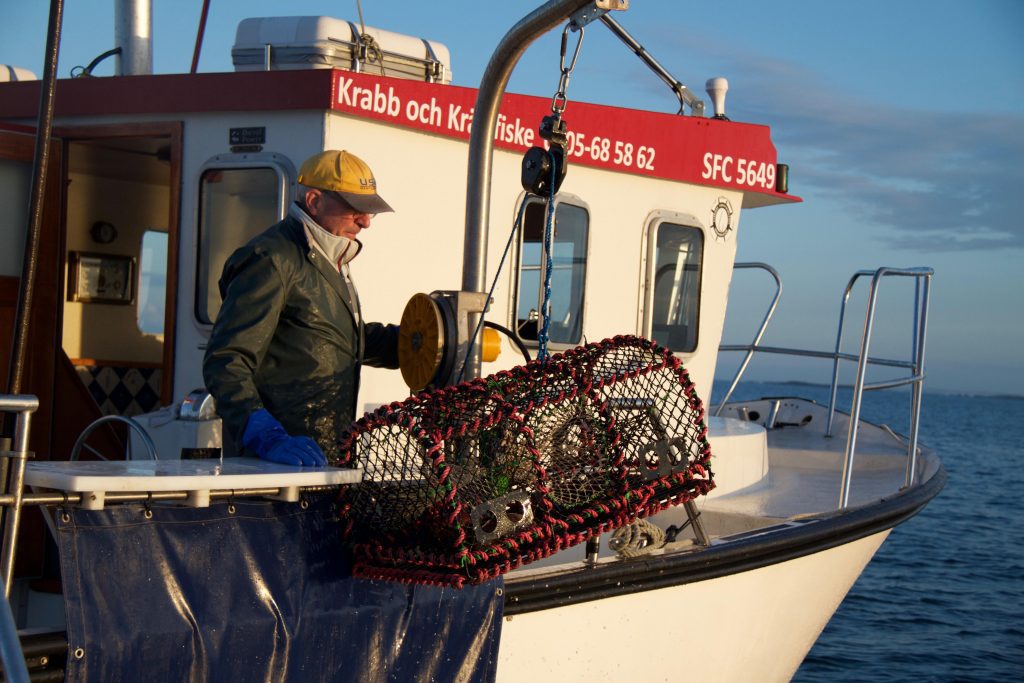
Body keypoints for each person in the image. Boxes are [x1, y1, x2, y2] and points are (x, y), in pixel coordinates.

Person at [203, 150, 399, 467]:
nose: (365, 222)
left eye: (370, 212)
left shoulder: (331, 257)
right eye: (356, 209)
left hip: (324, 459)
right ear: (314, 201)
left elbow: (339, 339)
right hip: (275, 466)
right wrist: (264, 433)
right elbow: (226, 360)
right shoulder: (272, 259)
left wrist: (418, 344)